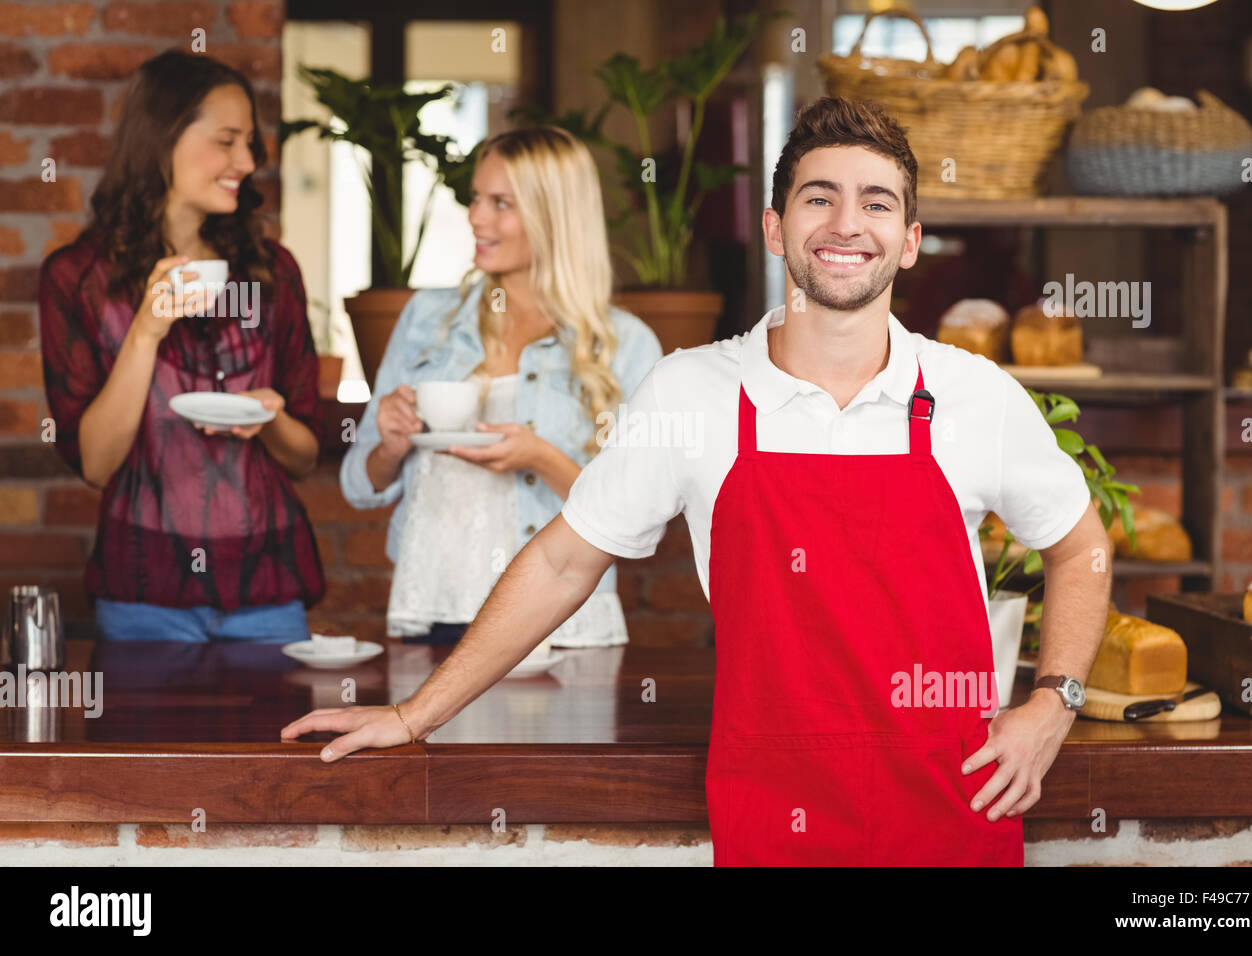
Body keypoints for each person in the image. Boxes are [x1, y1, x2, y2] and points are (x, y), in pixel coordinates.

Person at [283, 97, 1112, 867]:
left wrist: (1054, 703)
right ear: (776, 228)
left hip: (954, 811)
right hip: (774, 817)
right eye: (819, 198)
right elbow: (564, 562)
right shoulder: (693, 393)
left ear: (910, 239)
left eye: (877, 203)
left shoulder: (978, 396)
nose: (847, 223)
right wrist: (413, 713)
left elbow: (1081, 547)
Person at [39, 50, 326, 643]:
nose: (246, 161)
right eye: (226, 141)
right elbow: (96, 463)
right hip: (143, 595)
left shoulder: (273, 272)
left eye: (250, 142)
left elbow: (304, 456)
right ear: (163, 138)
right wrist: (145, 331)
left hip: (269, 593)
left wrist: (269, 420)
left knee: (279, 738)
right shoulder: (78, 278)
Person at [338, 127, 662, 647]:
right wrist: (390, 445)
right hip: (434, 614)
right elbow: (359, 485)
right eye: (476, 199)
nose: (476, 217)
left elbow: (644, 520)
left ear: (554, 218)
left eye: (500, 203)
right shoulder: (426, 317)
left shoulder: (625, 344)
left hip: (561, 625)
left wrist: (540, 457)